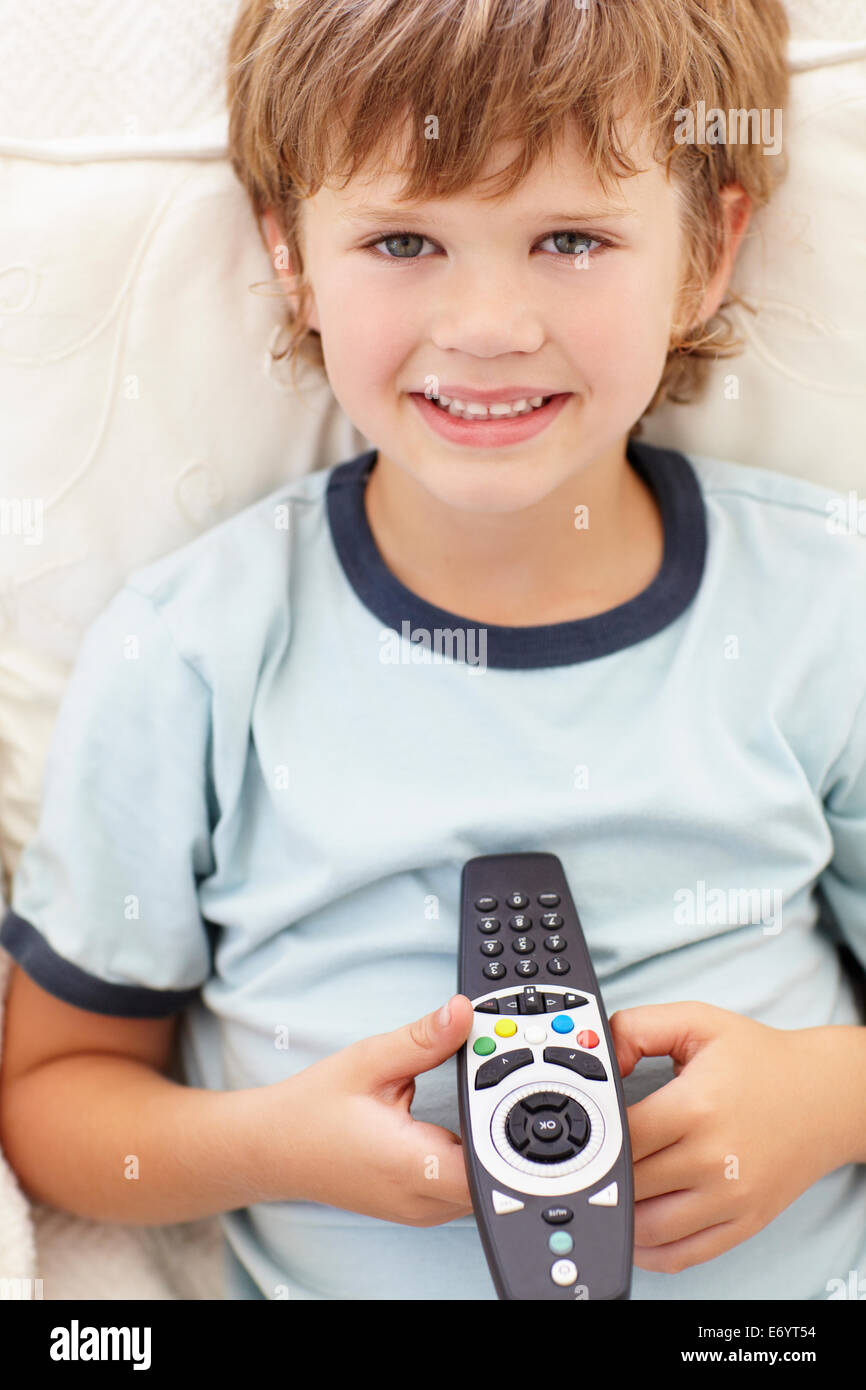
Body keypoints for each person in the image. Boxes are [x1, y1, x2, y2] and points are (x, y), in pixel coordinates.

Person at [1, 0, 865, 1301]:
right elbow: (57, 1096)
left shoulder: (820, 606)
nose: (486, 323)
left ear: (706, 249)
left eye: (570, 237)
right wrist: (271, 1144)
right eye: (403, 239)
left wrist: (824, 1097)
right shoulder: (192, 653)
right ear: (289, 254)